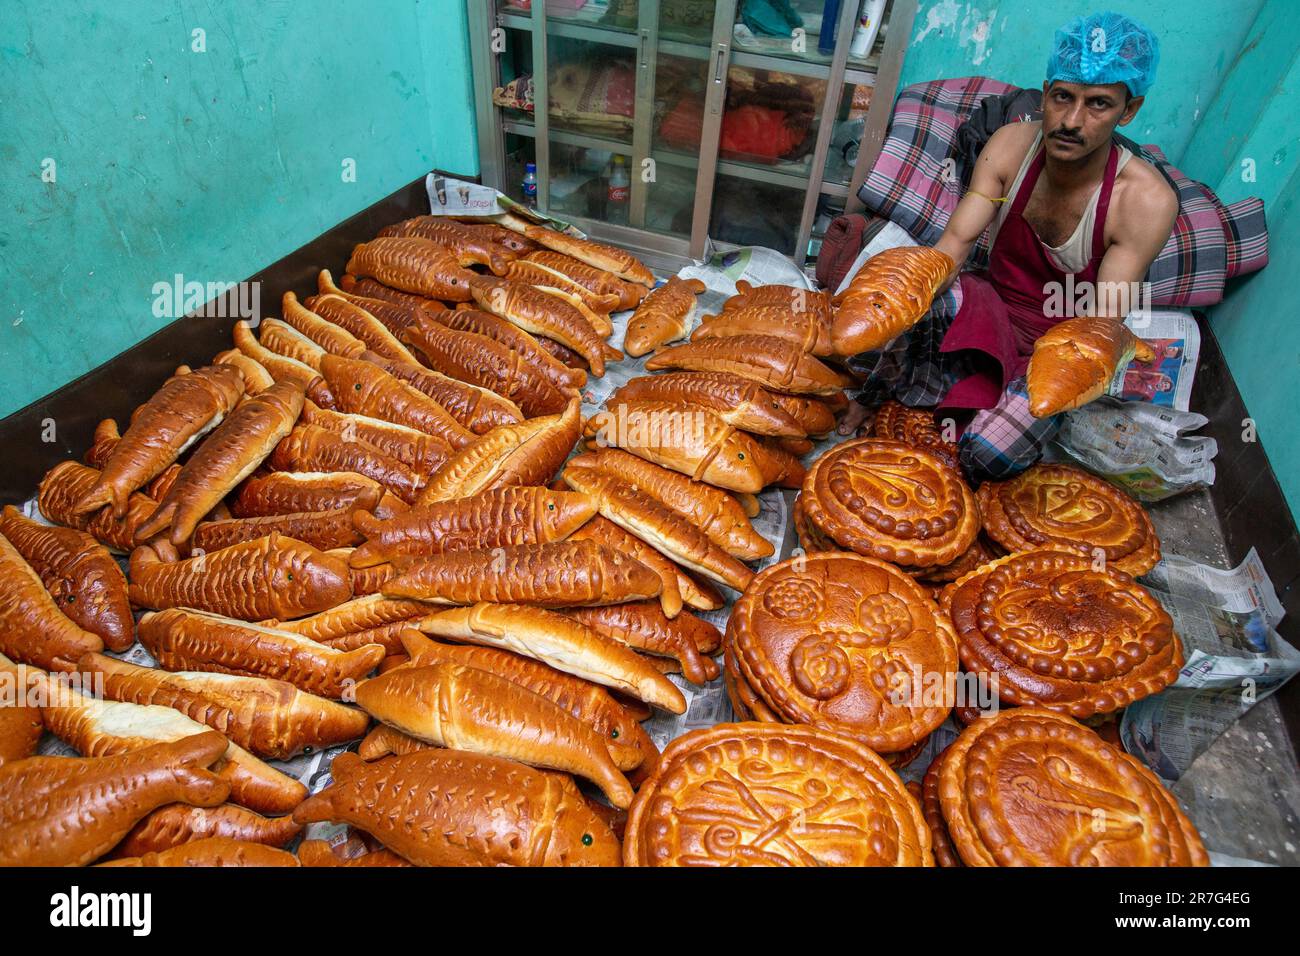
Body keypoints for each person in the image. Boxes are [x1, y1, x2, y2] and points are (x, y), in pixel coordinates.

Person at [839, 11, 1178, 483]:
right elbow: (953, 245)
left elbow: (1101, 322)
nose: (1071, 121)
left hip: (1059, 348)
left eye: (1098, 104)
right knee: (915, 296)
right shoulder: (1009, 146)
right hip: (992, 308)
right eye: (1062, 98)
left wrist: (1047, 382)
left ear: (1129, 110)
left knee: (985, 456)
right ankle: (884, 397)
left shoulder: (1144, 199)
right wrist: (900, 312)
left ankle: (986, 410)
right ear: (1046, 92)